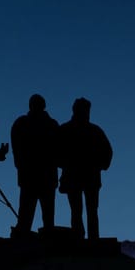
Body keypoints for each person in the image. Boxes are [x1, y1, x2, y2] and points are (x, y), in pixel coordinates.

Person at [57, 97, 113, 240]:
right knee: (84, 211)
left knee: (82, 211)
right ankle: (86, 239)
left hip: (82, 177)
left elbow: (107, 152)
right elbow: (107, 151)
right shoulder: (93, 131)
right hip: (84, 177)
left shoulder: (66, 130)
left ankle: (83, 239)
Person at [10, 93, 60, 236]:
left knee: (29, 214)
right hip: (42, 176)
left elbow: (16, 150)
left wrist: (21, 165)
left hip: (31, 176)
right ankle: (43, 239)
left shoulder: (22, 124)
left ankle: (24, 238)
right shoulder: (51, 125)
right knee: (44, 215)